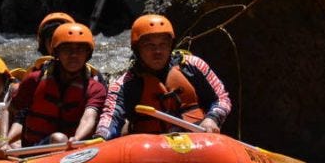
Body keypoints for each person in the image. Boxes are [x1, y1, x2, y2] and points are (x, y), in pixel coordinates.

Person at [96, 13, 232, 140]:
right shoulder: (124, 84)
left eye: (163, 44)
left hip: (197, 140)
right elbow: (110, 117)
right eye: (149, 45)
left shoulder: (192, 66)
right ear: (137, 49)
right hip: (151, 148)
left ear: (171, 46)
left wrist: (212, 118)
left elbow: (221, 98)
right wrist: (101, 136)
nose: (158, 51)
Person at [7, 22, 107, 147]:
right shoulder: (34, 80)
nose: (74, 55)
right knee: (59, 139)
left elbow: (89, 117)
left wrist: (76, 139)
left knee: (59, 139)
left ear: (88, 54)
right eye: (67, 49)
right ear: (56, 53)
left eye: (80, 49)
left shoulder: (95, 88)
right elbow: (11, 110)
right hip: (33, 149)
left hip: (73, 148)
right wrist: (5, 141)